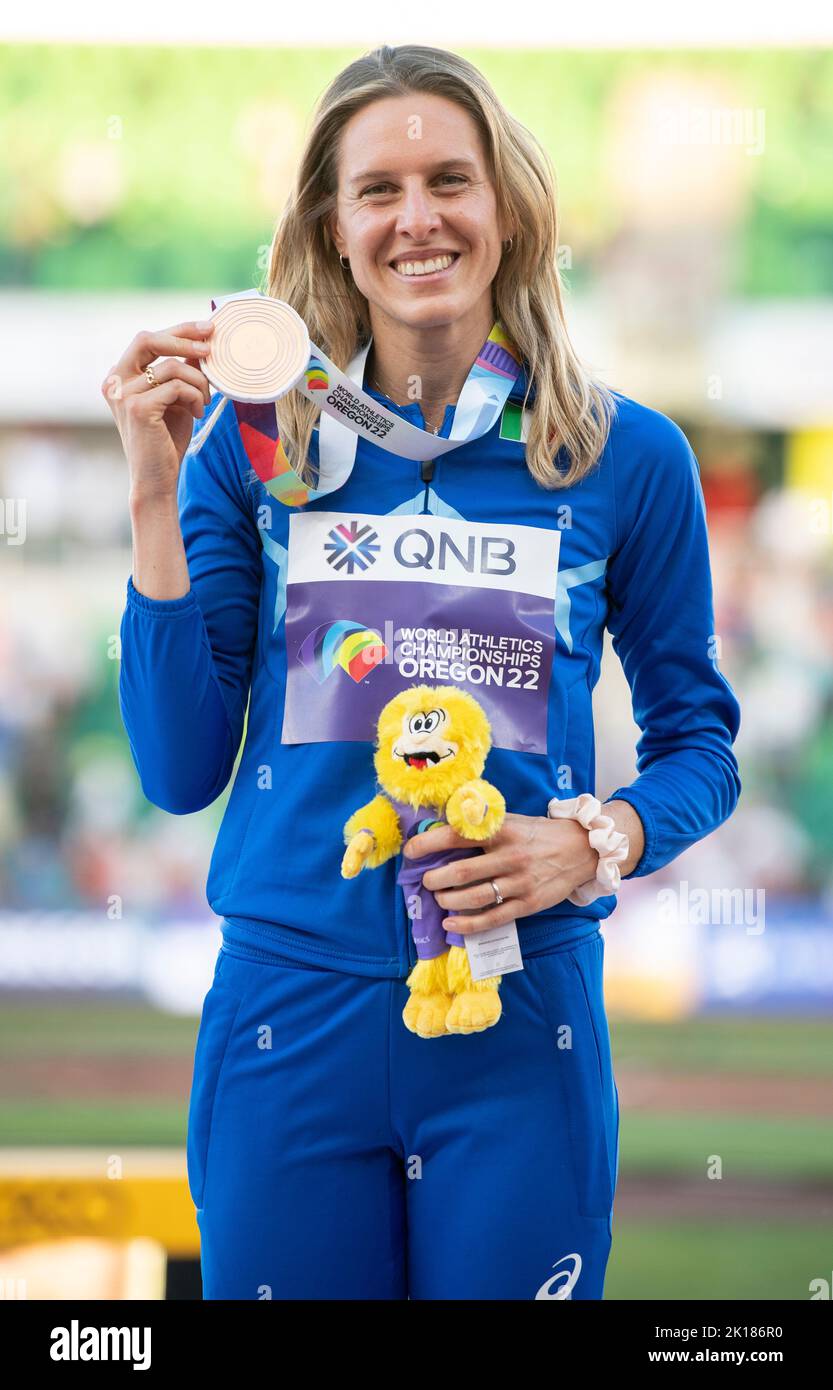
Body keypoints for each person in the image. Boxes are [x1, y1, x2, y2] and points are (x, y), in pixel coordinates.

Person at [103, 44, 741, 1300]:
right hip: (292, 1013)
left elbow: (699, 748)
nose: (417, 216)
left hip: (520, 1015)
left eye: (450, 179)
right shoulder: (253, 449)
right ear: (333, 231)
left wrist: (595, 839)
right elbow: (179, 770)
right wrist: (151, 489)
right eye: (377, 189)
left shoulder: (624, 457)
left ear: (505, 211)